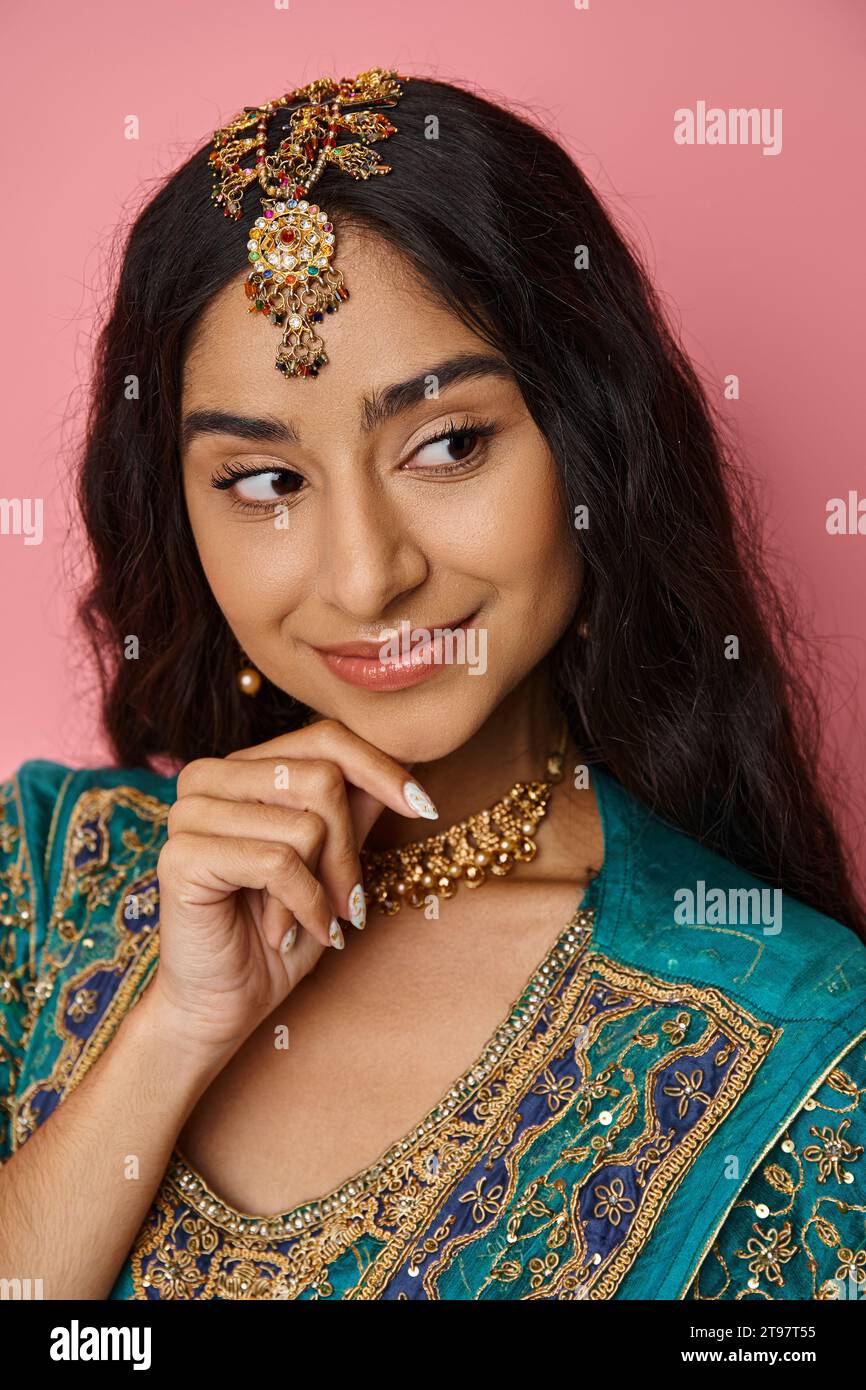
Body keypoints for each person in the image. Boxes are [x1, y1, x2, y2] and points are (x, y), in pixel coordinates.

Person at [0, 68, 864, 1302]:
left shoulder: (788, 1045)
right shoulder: (46, 886)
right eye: (262, 480)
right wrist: (172, 1034)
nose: (367, 577)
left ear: (588, 439)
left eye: (447, 443)